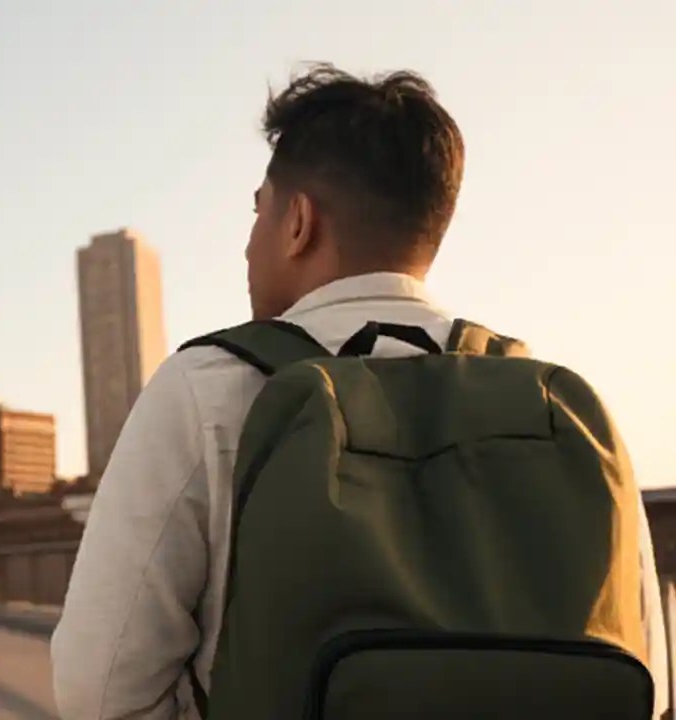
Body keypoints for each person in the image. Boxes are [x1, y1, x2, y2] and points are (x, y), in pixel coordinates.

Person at [50, 64, 669, 719]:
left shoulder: (210, 388)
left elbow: (100, 689)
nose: (246, 248)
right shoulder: (561, 409)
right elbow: (648, 681)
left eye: (257, 212)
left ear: (297, 222)